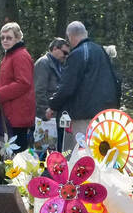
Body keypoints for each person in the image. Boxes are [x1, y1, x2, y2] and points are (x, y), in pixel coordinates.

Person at [47, 20, 119, 149]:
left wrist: (53, 106)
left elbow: (67, 87)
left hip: (84, 115)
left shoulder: (77, 55)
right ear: (85, 33)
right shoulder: (101, 51)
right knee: (102, 153)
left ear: (70, 36)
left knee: (83, 154)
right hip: (106, 114)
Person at [0, 22, 35, 153]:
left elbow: (24, 83)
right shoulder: (11, 55)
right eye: (2, 37)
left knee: (18, 157)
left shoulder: (20, 55)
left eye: (9, 37)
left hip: (18, 115)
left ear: (17, 38)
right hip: (12, 113)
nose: (5, 40)